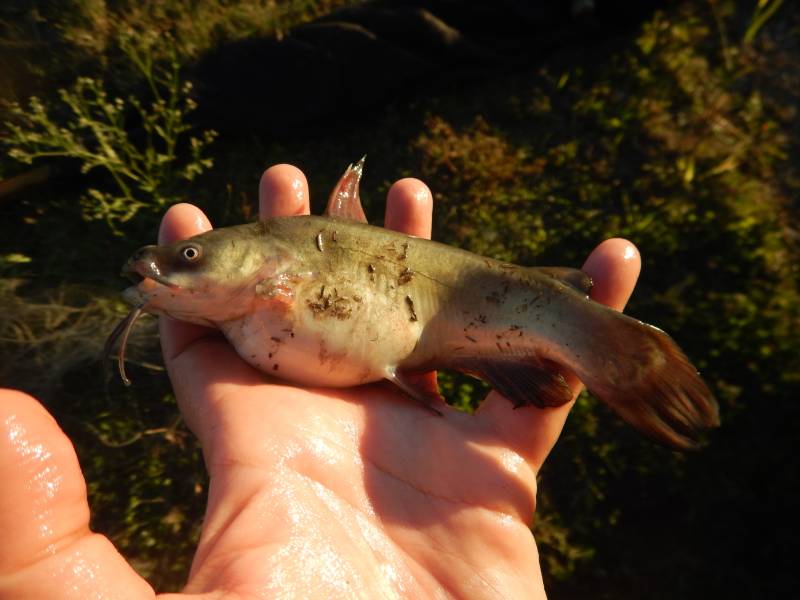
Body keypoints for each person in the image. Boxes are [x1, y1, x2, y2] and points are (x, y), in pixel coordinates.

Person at [0, 165, 641, 598]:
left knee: (591, 335)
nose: (162, 267)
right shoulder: (236, 318)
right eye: (179, 259)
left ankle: (596, 339)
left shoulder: (274, 280)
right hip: (400, 366)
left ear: (270, 261)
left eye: (188, 257)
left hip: (437, 335)